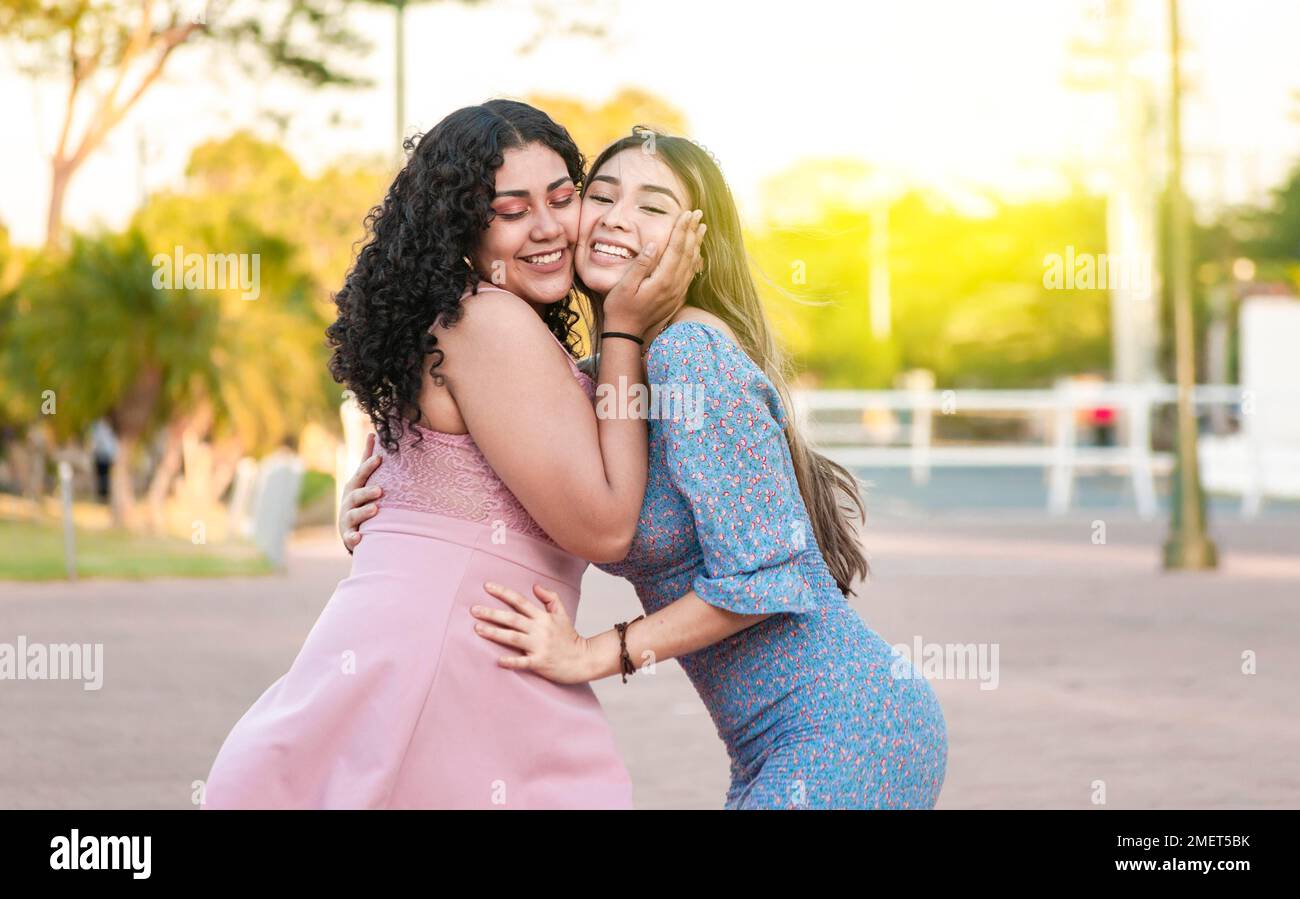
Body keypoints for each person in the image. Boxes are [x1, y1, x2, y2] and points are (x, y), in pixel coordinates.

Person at [203, 101, 702, 809]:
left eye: (564, 198)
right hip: (456, 660)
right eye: (512, 209)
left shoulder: (465, 318)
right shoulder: (488, 320)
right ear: (462, 224)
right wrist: (624, 328)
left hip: (438, 649)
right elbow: (605, 525)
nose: (549, 227)